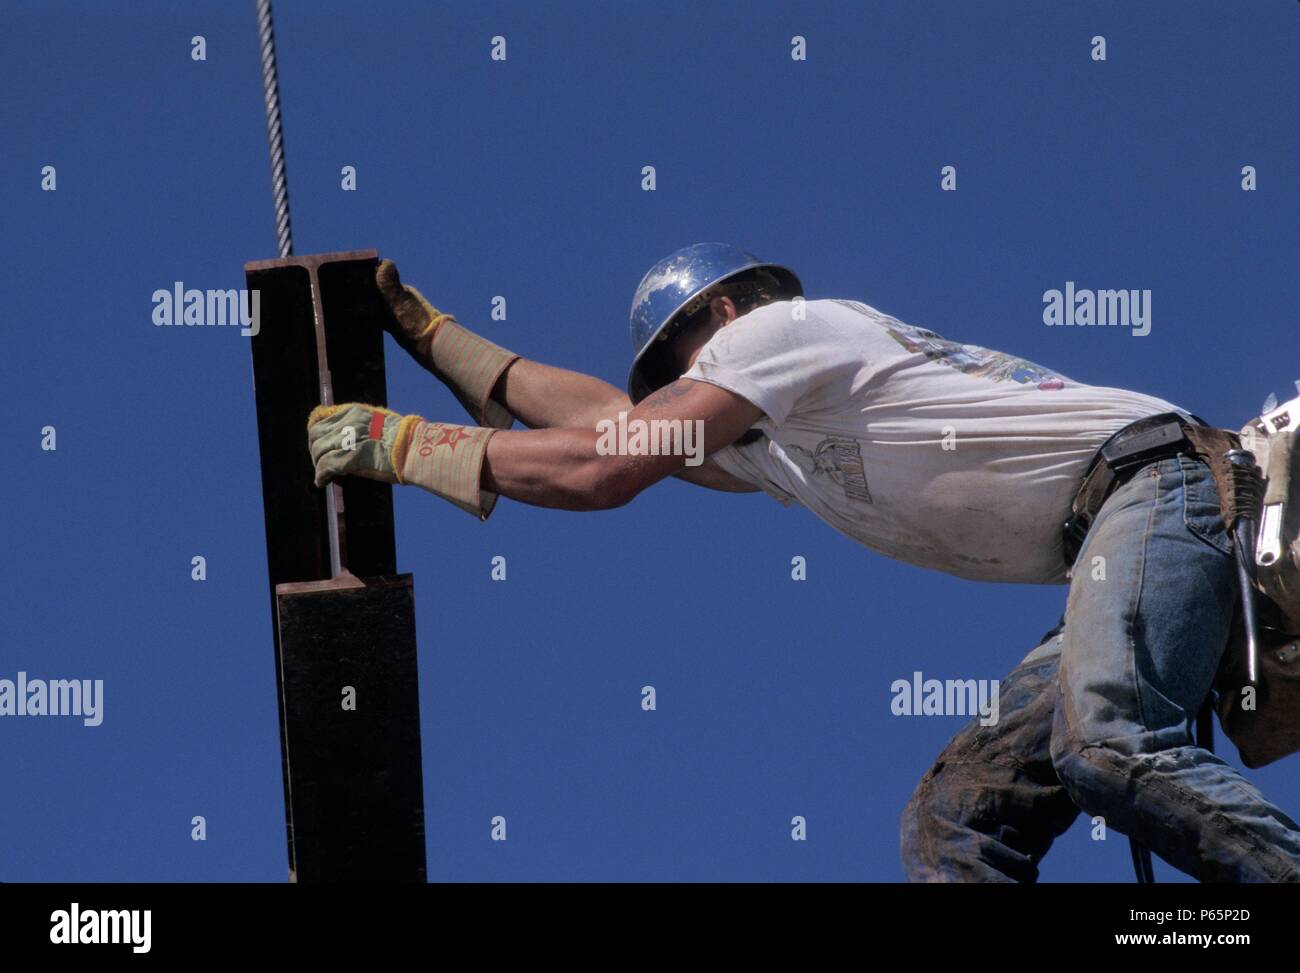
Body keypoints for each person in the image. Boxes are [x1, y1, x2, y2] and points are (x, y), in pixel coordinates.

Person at [306, 242, 1300, 881]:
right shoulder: (785, 439)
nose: (682, 395)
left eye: (681, 370)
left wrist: (406, 446)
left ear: (726, 319)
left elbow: (608, 463)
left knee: (1108, 743)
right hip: (1119, 532)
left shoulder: (781, 333)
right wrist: (450, 347)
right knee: (955, 820)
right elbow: (614, 422)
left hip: (1161, 486)